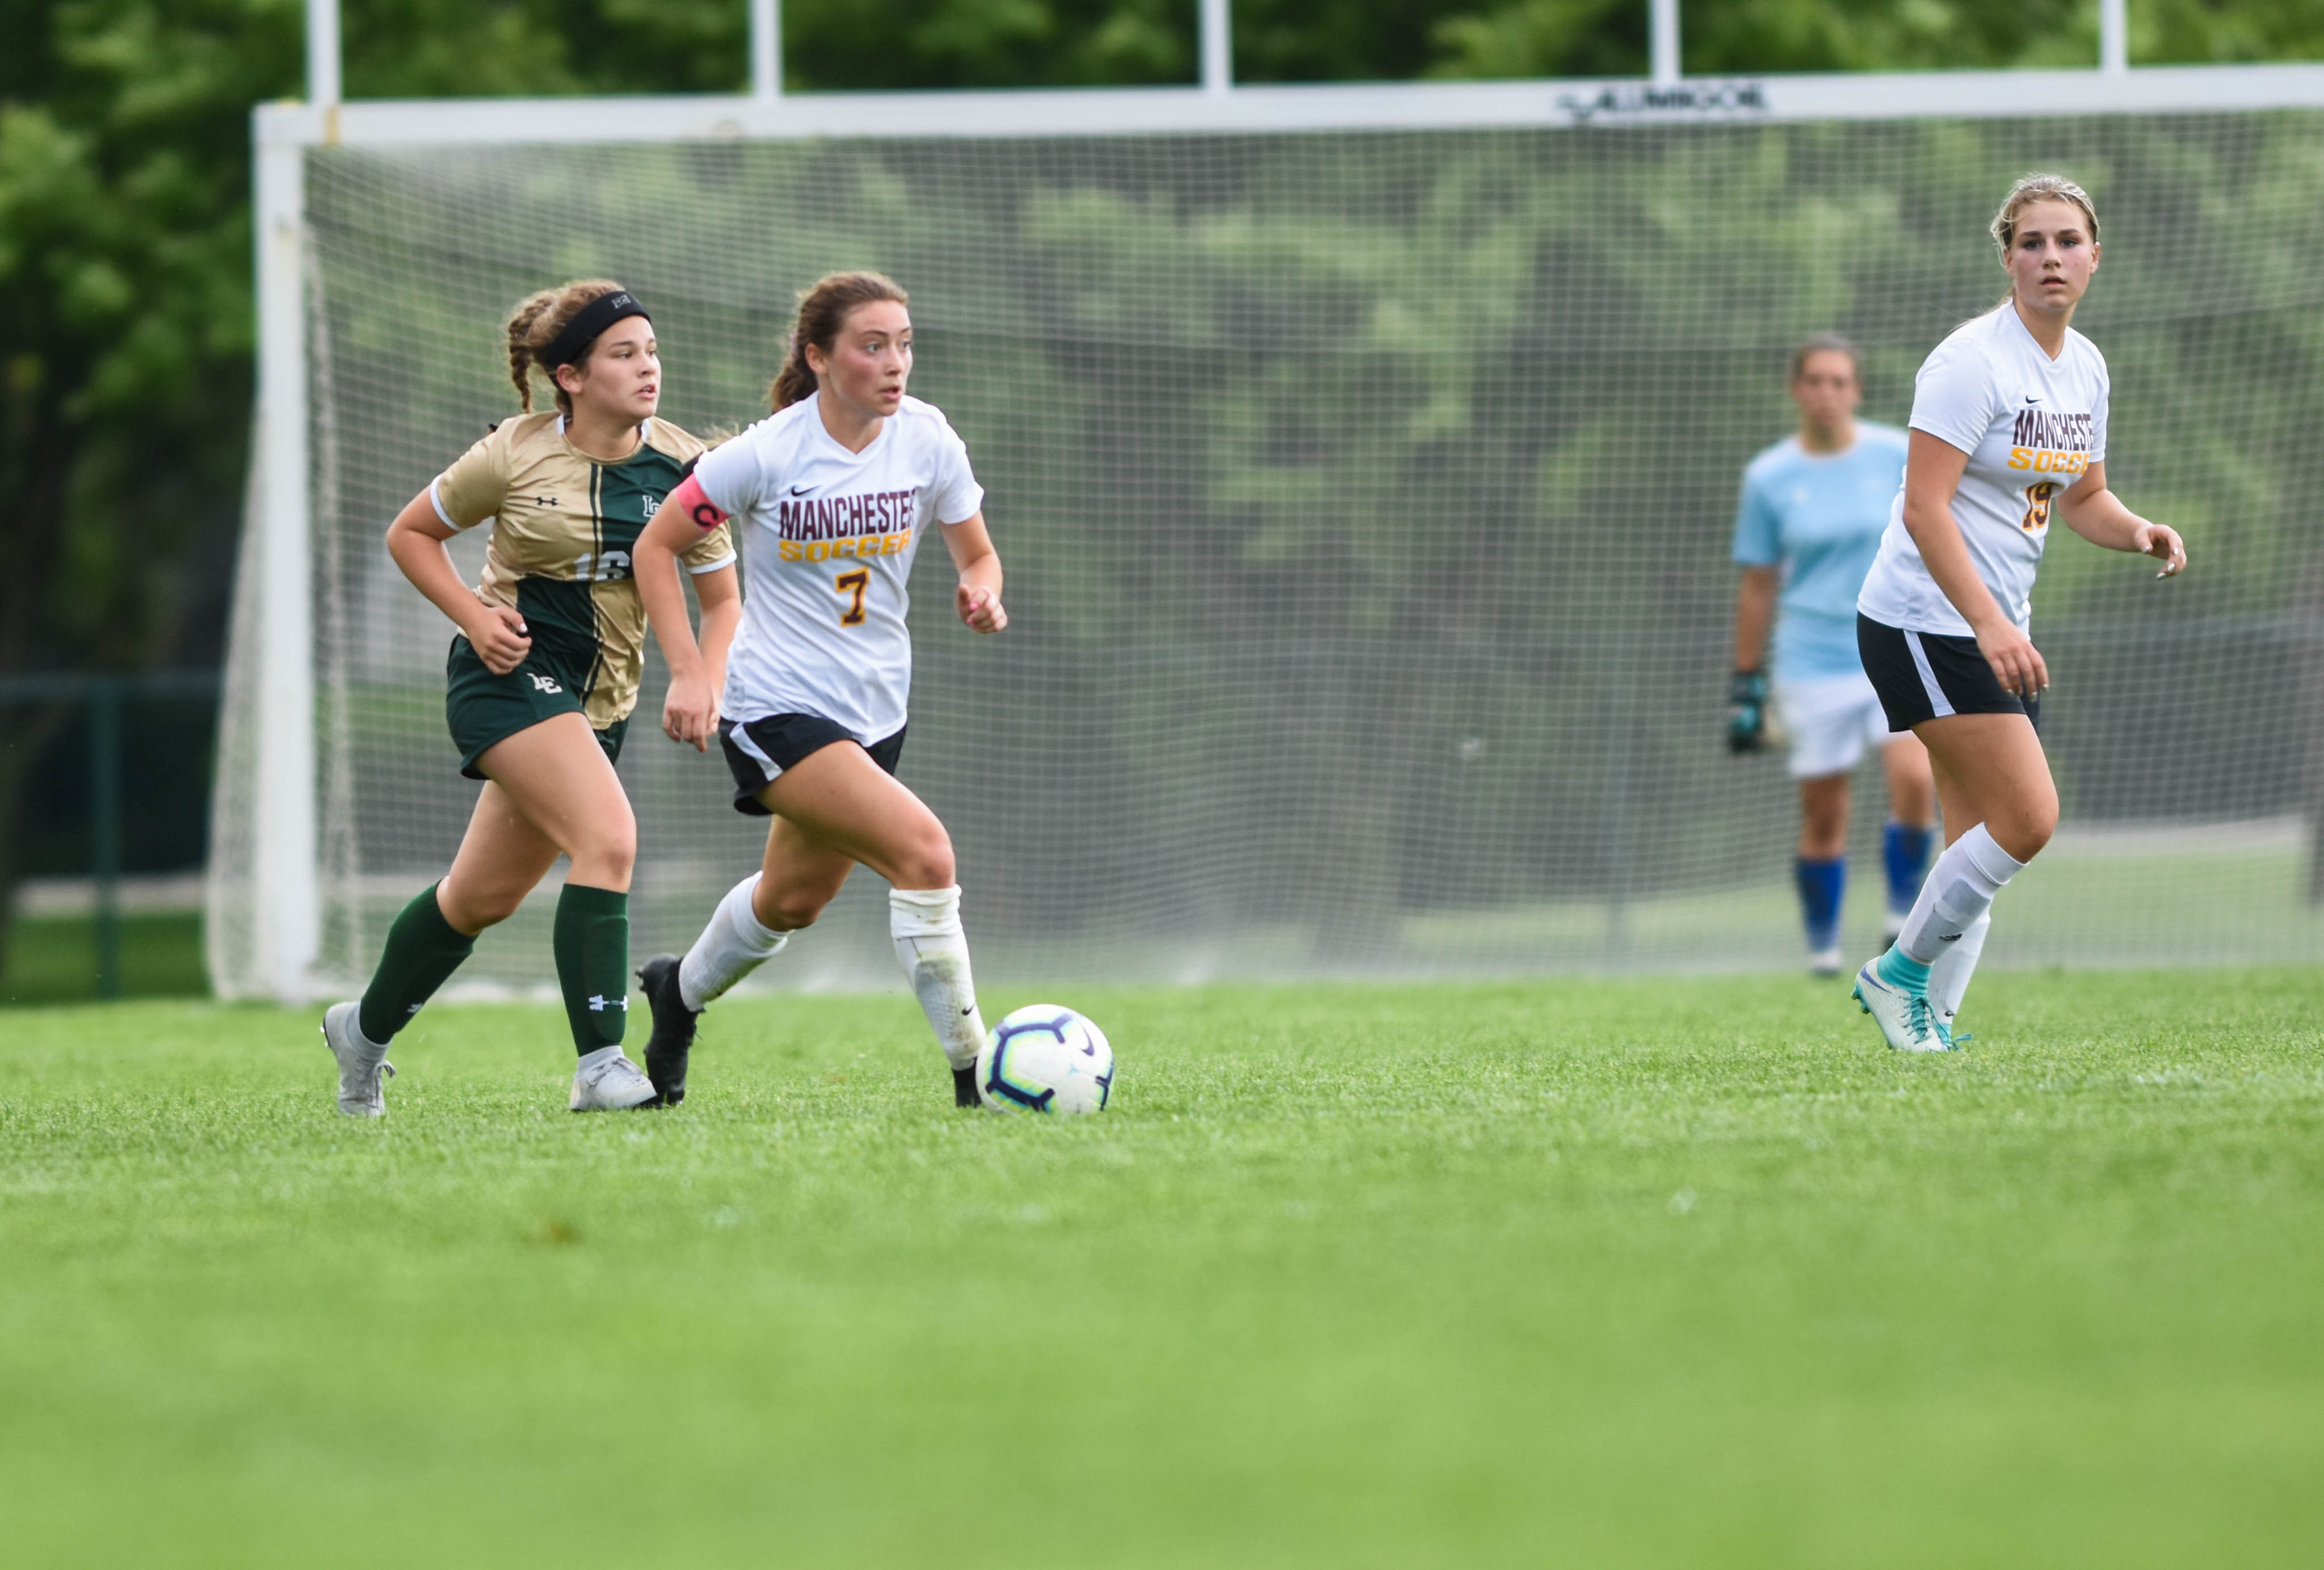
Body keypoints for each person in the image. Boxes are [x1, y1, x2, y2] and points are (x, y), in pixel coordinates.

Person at [319, 281, 740, 1114]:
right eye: (624, 354)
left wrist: (702, 675)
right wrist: (476, 617)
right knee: (609, 837)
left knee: (478, 899)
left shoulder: (686, 466)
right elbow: (412, 533)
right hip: (505, 678)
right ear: (570, 375)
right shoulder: (512, 453)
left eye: (651, 350)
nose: (647, 366)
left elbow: (723, 600)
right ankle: (601, 1065)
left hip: (600, 707)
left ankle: (359, 1032)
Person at [628, 271, 1008, 1108]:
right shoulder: (765, 453)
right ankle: (974, 1076)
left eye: (903, 344)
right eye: (872, 345)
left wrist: (982, 590)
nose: (894, 362)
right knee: (925, 854)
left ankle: (675, 992)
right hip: (774, 707)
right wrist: (693, 669)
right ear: (818, 356)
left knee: (792, 901)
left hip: (877, 708)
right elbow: (654, 548)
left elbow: (977, 552)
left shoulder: (928, 439)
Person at [1851, 175, 2186, 1051]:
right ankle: (1896, 975)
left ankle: (1930, 1026)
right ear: (2006, 258)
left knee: (1976, 838)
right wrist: (1993, 626)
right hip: (1922, 620)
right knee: (2028, 820)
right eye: (2030, 242)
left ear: (2093, 258)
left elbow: (2082, 498)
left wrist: (2138, 530)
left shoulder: (2084, 366)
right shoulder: (1969, 361)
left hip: (1994, 624)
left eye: (2066, 241)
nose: (2049, 257)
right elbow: (1923, 509)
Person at [1731, 335, 1937, 976]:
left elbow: (1933, 535)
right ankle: (1822, 947)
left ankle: (1900, 919)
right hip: (1811, 659)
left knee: (1917, 780)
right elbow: (1759, 582)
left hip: (1891, 644)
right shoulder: (1769, 477)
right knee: (1826, 812)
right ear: (1797, 388)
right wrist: (1747, 683)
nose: (1827, 393)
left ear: (1857, 390)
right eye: (1815, 380)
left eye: (1840, 381)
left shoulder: (1895, 455)